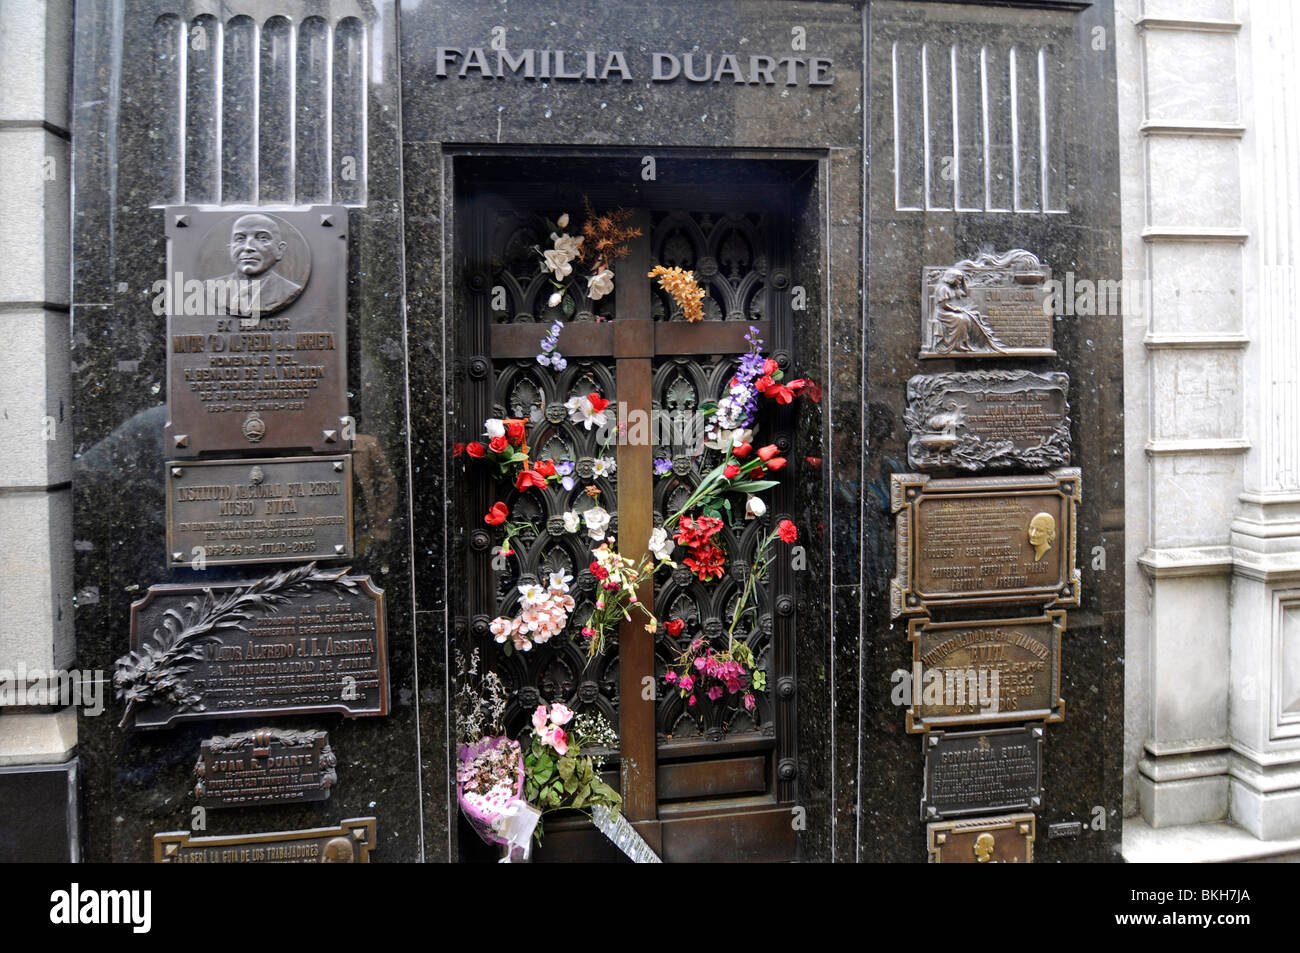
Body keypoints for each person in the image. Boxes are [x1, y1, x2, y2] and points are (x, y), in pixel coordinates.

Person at [213, 213, 304, 317]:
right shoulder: (211, 289)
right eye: (240, 239)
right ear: (230, 249)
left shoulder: (289, 291)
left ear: (280, 250)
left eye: (262, 238)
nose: (248, 247)